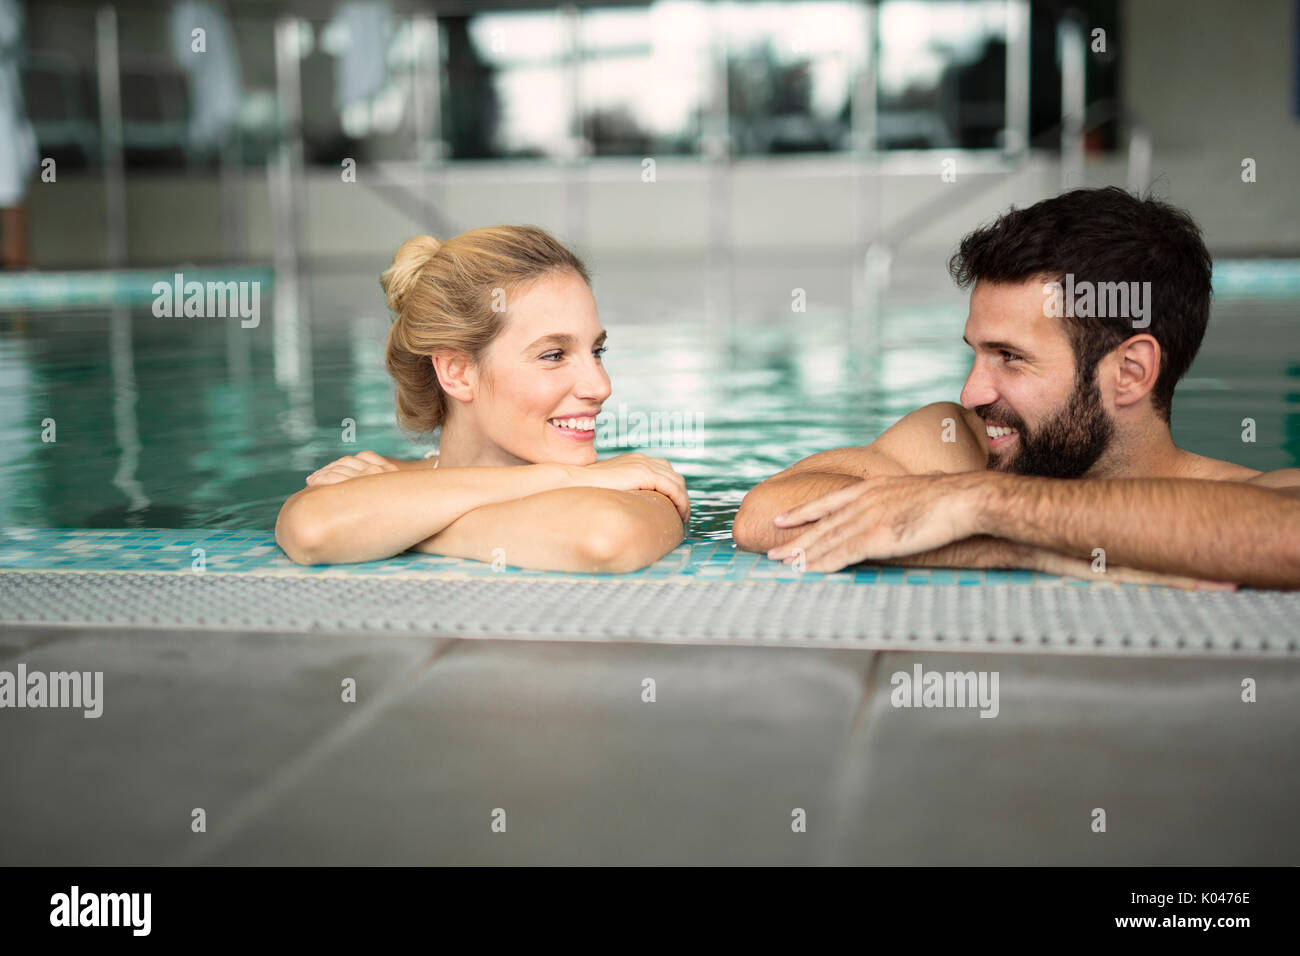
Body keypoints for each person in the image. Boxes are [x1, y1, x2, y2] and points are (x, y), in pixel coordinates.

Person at [733, 187, 1300, 589]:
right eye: (977, 352)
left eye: (1010, 358)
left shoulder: (1257, 492)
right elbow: (764, 514)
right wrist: (1009, 541)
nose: (972, 393)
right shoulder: (961, 446)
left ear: (1130, 372)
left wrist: (980, 503)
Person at [276, 226, 689, 571]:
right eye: (553, 355)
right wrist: (568, 478)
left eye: (597, 350)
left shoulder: (638, 484)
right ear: (457, 372)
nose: (600, 386)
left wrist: (391, 529)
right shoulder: (606, 478)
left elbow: (604, 539)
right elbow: (311, 531)